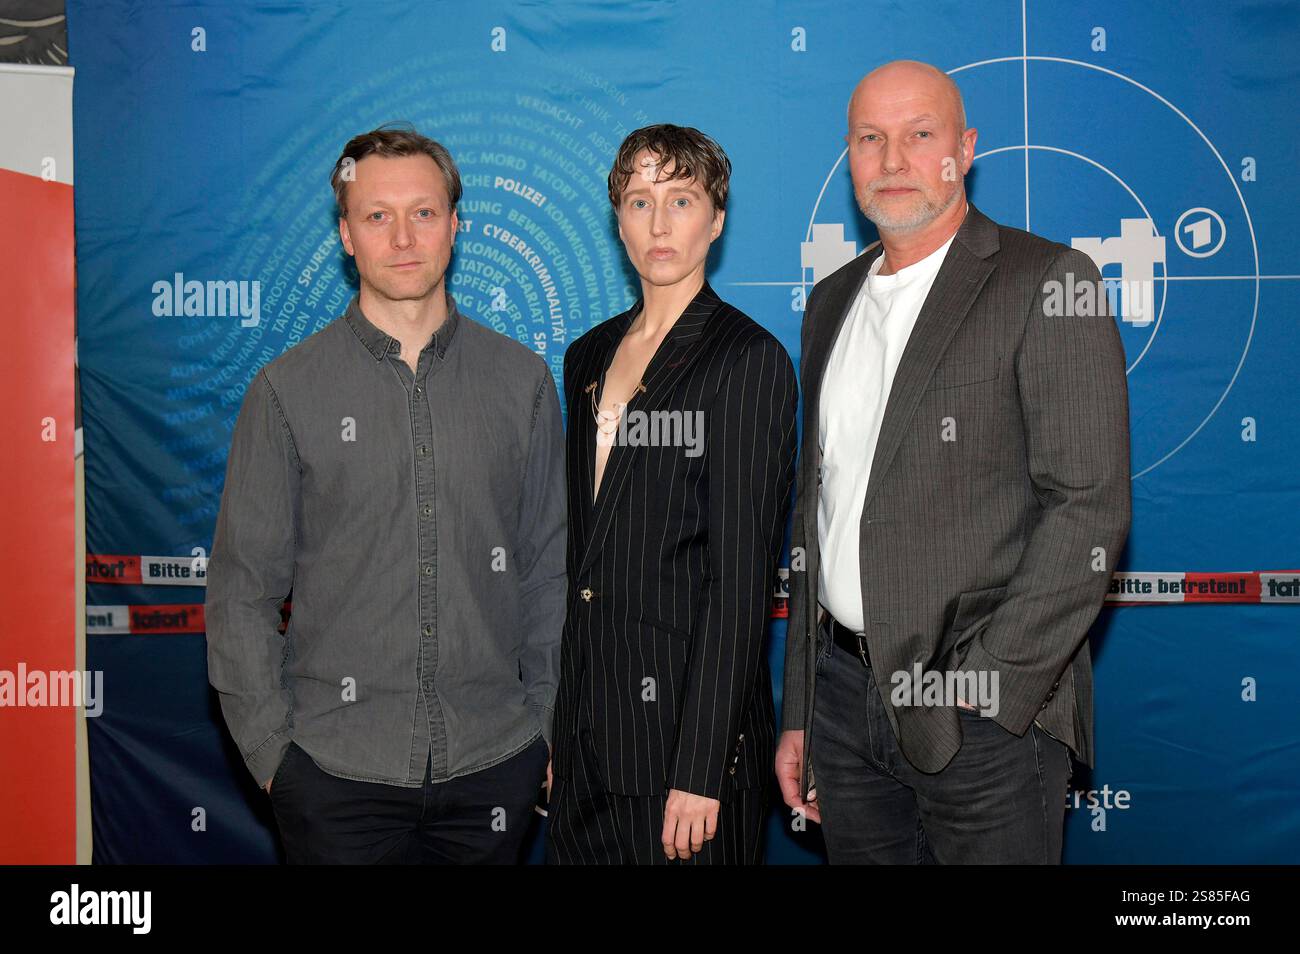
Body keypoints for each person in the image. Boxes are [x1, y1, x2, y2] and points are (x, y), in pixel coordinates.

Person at [776, 61, 1131, 863]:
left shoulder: (1046, 281)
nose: (893, 160)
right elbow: (818, 511)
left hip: (983, 725)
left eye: (919, 135)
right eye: (871, 139)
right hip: (841, 702)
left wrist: (988, 692)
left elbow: (1089, 507)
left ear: (964, 150)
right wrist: (802, 706)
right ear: (849, 156)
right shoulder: (831, 301)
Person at [206, 124, 566, 864]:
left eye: (424, 212)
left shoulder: (521, 384)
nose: (403, 237)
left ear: (456, 225)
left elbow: (547, 574)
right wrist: (277, 758)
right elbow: (242, 591)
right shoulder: (286, 392)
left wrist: (544, 730)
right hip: (334, 776)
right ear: (345, 233)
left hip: (492, 767)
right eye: (377, 215)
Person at [546, 124, 798, 864]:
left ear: (716, 219)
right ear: (617, 218)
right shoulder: (586, 355)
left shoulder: (747, 358)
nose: (659, 224)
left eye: (681, 199)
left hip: (686, 754)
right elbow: (580, 566)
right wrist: (565, 730)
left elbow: (741, 581)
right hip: (590, 744)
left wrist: (699, 771)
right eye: (639, 201)